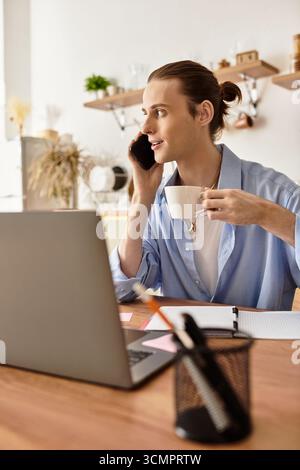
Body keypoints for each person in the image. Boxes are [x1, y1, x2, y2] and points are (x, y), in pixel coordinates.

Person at [110, 60, 300, 310]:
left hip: (260, 347)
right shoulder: (157, 205)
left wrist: (265, 215)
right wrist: (141, 199)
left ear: (203, 113)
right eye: (146, 114)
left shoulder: (276, 192)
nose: (145, 128)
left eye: (160, 112)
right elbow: (122, 289)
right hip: (185, 346)